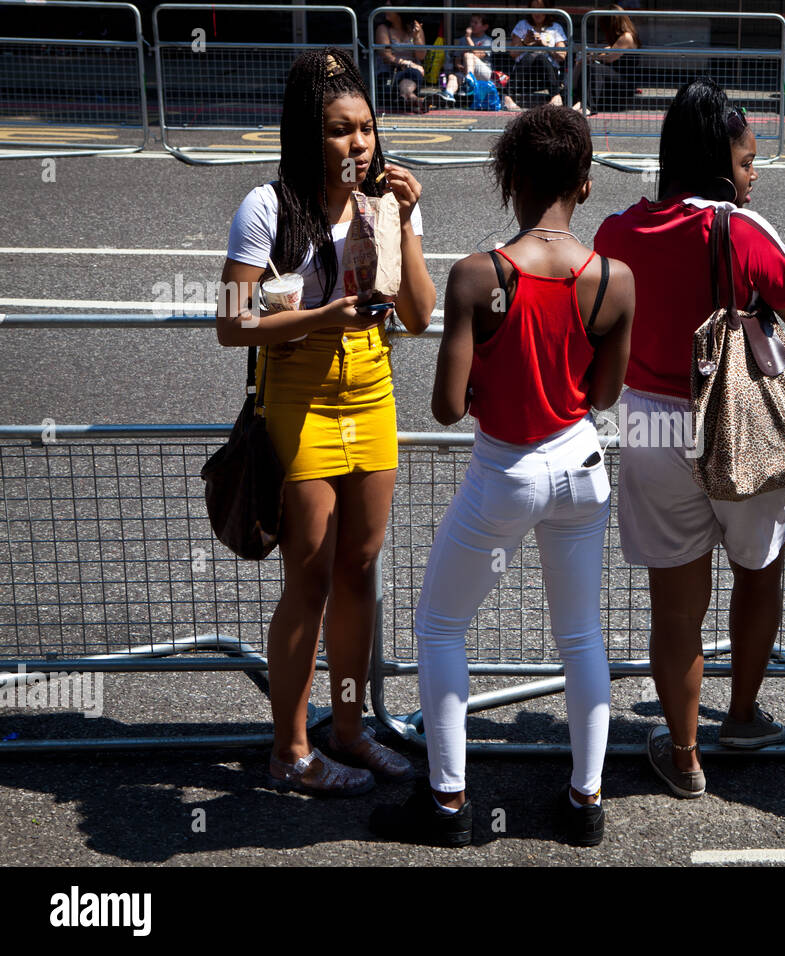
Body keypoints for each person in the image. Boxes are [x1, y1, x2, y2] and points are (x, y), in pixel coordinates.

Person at [368, 105, 635, 847]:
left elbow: (448, 406)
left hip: (506, 472)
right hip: (581, 464)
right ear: (584, 186)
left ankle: (447, 804)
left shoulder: (479, 275)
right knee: (581, 636)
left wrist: (493, 383)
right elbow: (605, 395)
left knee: (440, 625)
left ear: (509, 181)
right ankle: (586, 803)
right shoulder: (615, 279)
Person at [594, 78, 785, 799]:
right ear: (716, 166)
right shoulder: (741, 232)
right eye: (747, 163)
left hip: (649, 423)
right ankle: (740, 716)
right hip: (742, 424)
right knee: (758, 570)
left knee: (675, 603)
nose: (753, 176)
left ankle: (686, 754)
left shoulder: (615, 231)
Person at [216, 49, 437, 795]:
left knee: (359, 572)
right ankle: (289, 748)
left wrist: (405, 223)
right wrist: (321, 316)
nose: (360, 145)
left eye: (368, 130)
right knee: (307, 580)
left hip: (373, 395)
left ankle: (348, 730)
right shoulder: (269, 206)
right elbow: (232, 323)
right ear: (310, 136)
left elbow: (419, 314)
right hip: (299, 400)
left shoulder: (385, 202)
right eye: (343, 132)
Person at [573, 4, 640, 116]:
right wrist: (593, 56)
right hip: (617, 81)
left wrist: (592, 57)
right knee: (589, 66)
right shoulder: (619, 39)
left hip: (626, 83)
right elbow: (606, 52)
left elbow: (610, 58)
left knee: (595, 68)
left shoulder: (626, 37)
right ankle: (580, 100)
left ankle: (589, 106)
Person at [509, 0, 569, 108]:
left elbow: (562, 56)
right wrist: (525, 43)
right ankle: (508, 96)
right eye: (534, 8)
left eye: (541, 8)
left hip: (548, 73)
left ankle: (555, 95)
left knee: (540, 57)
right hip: (525, 72)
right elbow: (513, 53)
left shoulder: (556, 27)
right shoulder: (522, 25)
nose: (537, 13)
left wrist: (545, 46)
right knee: (530, 56)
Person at [375, 8, 436, 112]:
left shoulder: (414, 27)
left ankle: (406, 98)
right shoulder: (383, 28)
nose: (385, 10)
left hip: (412, 74)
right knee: (408, 74)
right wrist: (408, 63)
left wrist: (416, 37)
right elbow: (386, 56)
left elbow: (421, 56)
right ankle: (415, 100)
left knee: (410, 74)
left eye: (390, 8)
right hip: (390, 73)